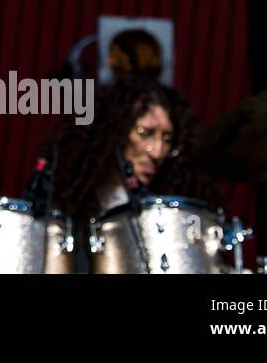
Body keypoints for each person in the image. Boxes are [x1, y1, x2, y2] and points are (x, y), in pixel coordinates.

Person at [45, 75, 218, 269]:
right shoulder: (68, 213)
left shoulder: (172, 216)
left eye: (167, 138)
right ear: (114, 132)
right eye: (145, 133)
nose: (158, 151)